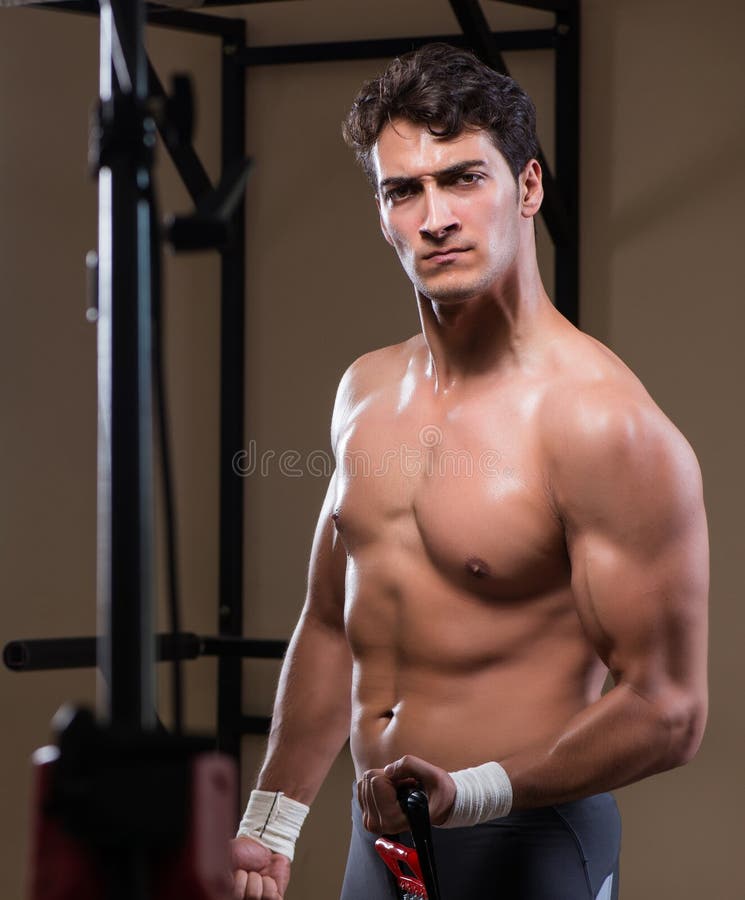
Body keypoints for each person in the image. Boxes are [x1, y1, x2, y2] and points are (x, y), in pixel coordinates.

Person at [230, 43, 709, 900]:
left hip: (523, 838)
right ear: (381, 213)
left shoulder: (600, 423)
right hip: (377, 842)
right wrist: (271, 824)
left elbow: (669, 711)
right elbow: (333, 625)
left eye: (462, 179)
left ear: (526, 188)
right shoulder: (364, 391)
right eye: (402, 189)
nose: (434, 216)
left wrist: (473, 793)